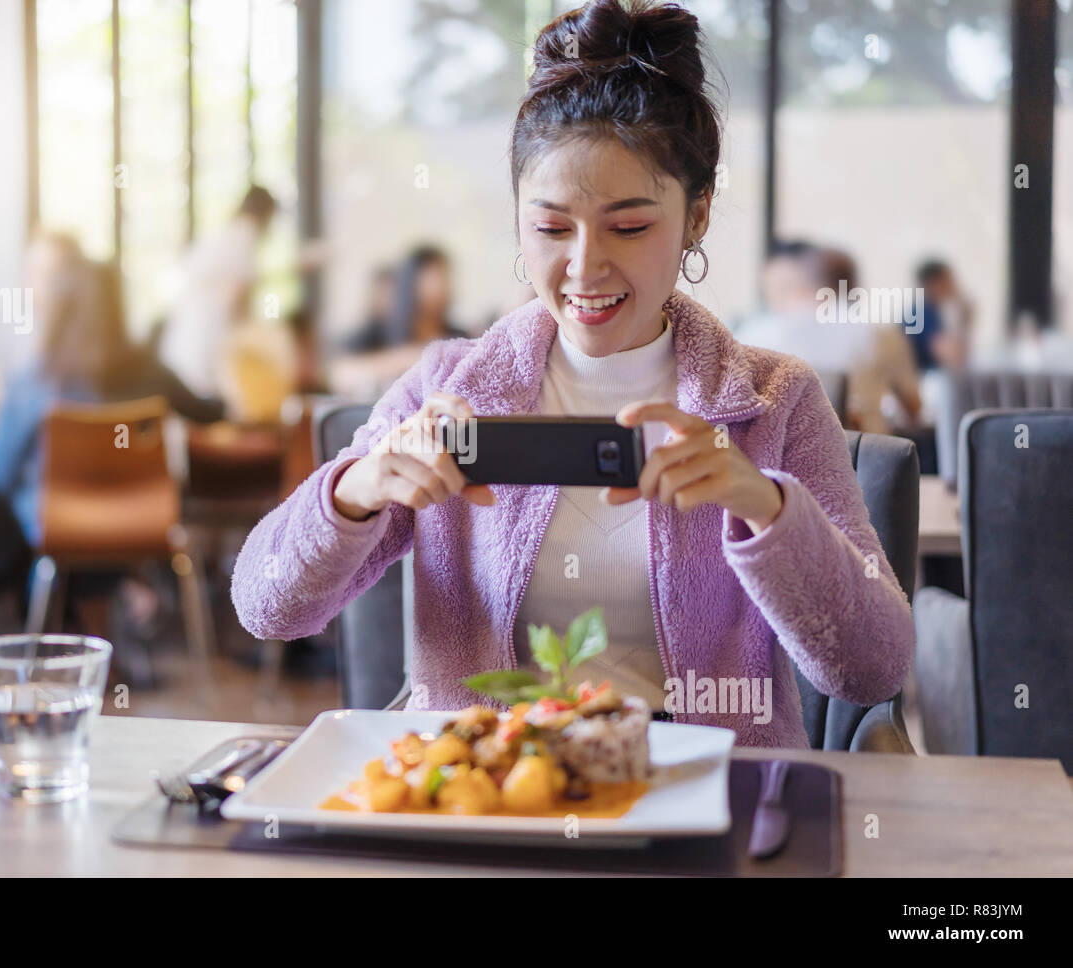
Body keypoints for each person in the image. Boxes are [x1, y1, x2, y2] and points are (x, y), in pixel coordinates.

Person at [230, 0, 914, 748]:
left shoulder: (773, 402)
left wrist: (761, 505)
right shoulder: (451, 387)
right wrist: (358, 488)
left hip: (710, 807)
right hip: (494, 802)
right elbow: (267, 607)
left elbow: (872, 669)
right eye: (552, 228)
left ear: (697, 217)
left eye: (629, 226)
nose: (585, 267)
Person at [0, 257, 225, 638]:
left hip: (60, 524)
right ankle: (114, 610)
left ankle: (69, 632)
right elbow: (210, 413)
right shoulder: (151, 372)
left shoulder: (34, 382)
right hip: (144, 520)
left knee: (23, 507)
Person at [735, 243, 922, 434]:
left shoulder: (757, 331)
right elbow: (913, 407)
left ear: (805, 282)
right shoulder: (880, 334)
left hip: (773, 456)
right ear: (854, 284)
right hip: (859, 456)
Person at [158, 185, 278, 401]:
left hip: (182, 343)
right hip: (209, 342)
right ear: (266, 213)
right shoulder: (245, 235)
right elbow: (239, 297)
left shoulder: (220, 236)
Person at [332, 246, 469, 399]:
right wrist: (414, 357)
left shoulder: (459, 335)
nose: (441, 285)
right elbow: (341, 374)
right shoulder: (377, 332)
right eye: (431, 277)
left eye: (444, 276)